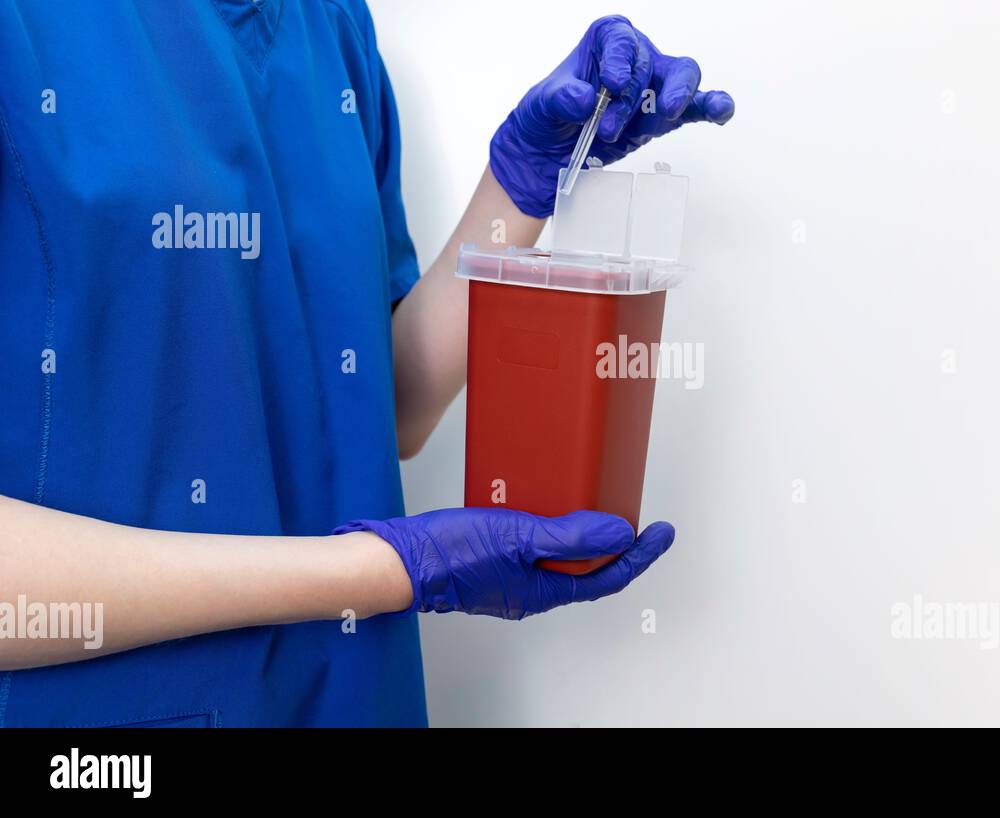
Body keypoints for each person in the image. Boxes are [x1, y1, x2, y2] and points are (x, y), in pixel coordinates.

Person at [0, 1, 733, 727]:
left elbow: (385, 408)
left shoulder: (333, 24)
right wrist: (389, 570)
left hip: (357, 698)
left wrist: (516, 186)